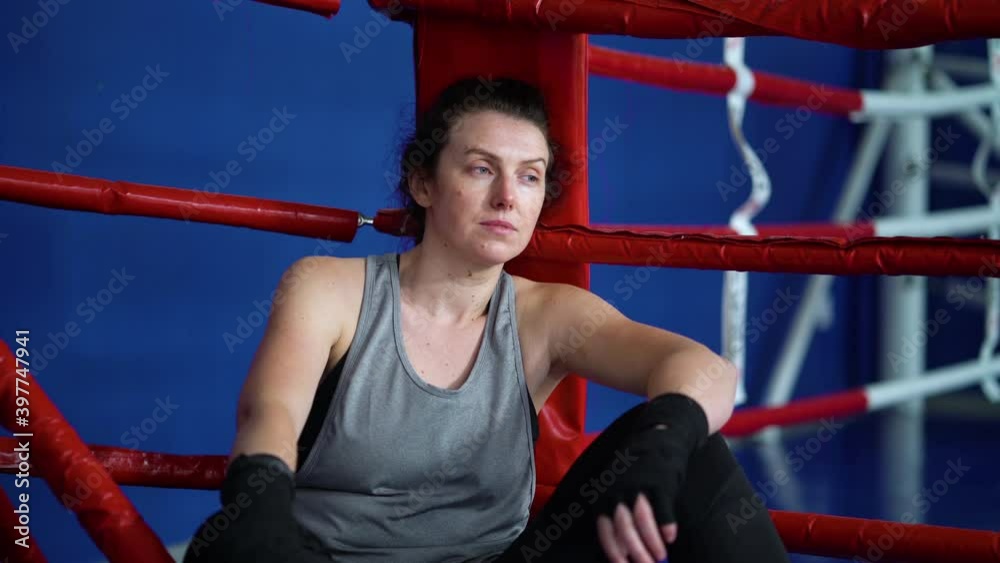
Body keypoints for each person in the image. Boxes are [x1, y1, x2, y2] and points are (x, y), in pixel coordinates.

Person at [183, 76, 790, 563]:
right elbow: (270, 415)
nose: (508, 196)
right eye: (480, 168)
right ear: (423, 182)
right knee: (234, 539)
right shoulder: (329, 288)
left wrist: (667, 446)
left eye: (529, 176)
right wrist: (259, 522)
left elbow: (704, 371)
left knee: (694, 452)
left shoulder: (545, 315)